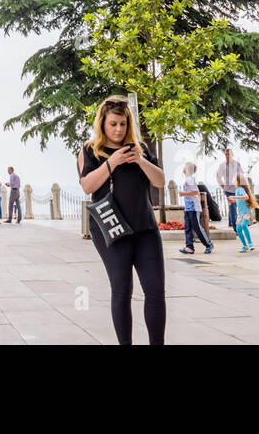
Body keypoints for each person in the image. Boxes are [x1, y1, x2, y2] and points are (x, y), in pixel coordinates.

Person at [78, 96, 166, 345]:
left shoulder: (141, 149)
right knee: (122, 290)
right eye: (113, 124)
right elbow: (87, 186)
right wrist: (111, 163)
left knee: (156, 292)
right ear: (102, 124)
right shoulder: (90, 150)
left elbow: (159, 181)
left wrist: (140, 159)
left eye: (123, 124)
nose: (118, 130)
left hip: (145, 228)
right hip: (111, 229)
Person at [179, 163, 213, 254]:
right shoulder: (188, 179)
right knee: (188, 228)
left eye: (184, 166)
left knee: (197, 228)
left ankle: (209, 244)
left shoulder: (190, 179)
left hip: (193, 208)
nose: (183, 167)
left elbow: (194, 192)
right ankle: (189, 247)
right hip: (188, 208)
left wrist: (183, 194)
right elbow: (196, 192)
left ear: (188, 169)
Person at [217, 148, 243, 230]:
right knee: (233, 207)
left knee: (234, 207)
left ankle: (230, 222)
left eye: (229, 154)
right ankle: (236, 229)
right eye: (226, 154)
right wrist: (223, 186)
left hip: (237, 189)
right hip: (228, 189)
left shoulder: (237, 164)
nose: (227, 156)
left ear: (232, 154)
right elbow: (218, 176)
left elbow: (241, 176)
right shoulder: (222, 165)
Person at [231, 176, 258, 252]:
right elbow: (240, 200)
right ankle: (244, 246)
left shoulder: (240, 189)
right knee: (238, 229)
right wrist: (233, 200)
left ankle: (250, 244)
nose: (233, 181)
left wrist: (234, 197)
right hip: (240, 214)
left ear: (238, 181)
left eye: (234, 180)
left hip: (246, 212)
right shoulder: (237, 190)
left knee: (243, 225)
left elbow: (246, 197)